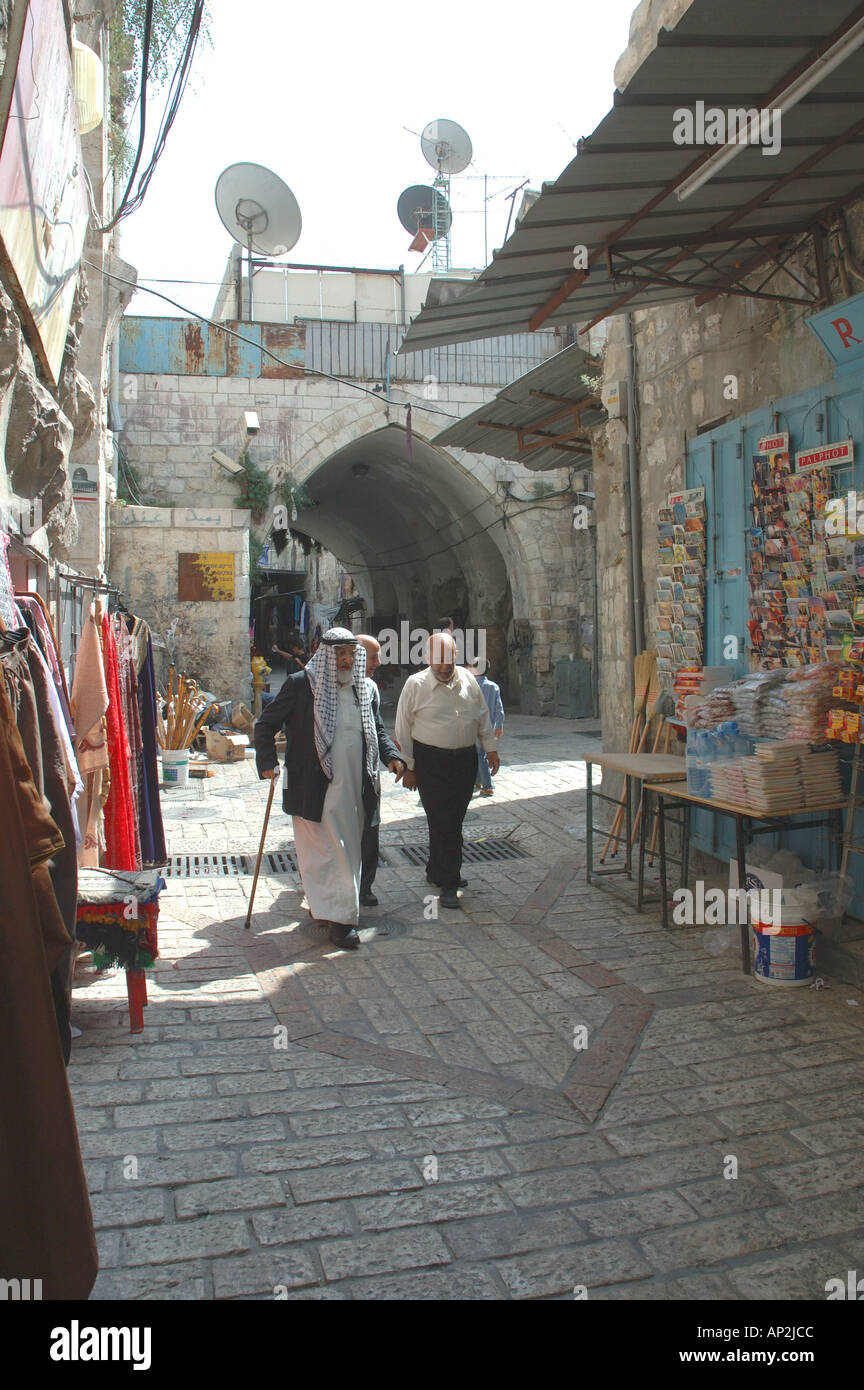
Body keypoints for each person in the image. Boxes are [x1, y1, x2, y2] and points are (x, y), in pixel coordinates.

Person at [254, 627, 404, 950]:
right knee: (323, 854)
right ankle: (340, 921)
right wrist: (268, 761)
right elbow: (265, 724)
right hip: (312, 787)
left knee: (346, 852)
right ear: (326, 657)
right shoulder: (301, 686)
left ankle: (336, 911)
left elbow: (374, 728)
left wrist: (391, 757)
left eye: (351, 654)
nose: (347, 660)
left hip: (354, 787)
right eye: (340, 655)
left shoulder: (361, 690)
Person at [395, 632, 499, 909]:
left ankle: (436, 869)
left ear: (455, 656)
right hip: (431, 761)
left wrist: (490, 747)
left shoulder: (467, 679)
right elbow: (403, 728)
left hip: (464, 760)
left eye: (448, 660)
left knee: (453, 818)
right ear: (427, 658)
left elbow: (482, 714)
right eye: (437, 661)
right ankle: (450, 882)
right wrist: (409, 767)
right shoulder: (415, 685)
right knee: (444, 820)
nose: (443, 667)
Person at [357, 634, 385, 906]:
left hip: (368, 774)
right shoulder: (322, 688)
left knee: (370, 832)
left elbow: (378, 729)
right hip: (339, 776)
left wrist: (393, 757)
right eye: (373, 657)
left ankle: (365, 887)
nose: (378, 662)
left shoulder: (371, 688)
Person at [469, 661, 505, 796]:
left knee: (479, 755)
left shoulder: (470, 686)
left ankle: (487, 785)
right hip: (489, 726)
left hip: (474, 726)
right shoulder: (493, 686)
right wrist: (499, 726)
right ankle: (478, 781)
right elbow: (499, 708)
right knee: (481, 754)